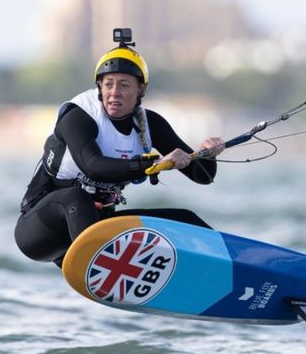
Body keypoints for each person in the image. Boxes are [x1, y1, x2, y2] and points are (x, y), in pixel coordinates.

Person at [15, 29, 225, 267]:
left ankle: (229, 269)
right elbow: (93, 166)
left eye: (124, 85)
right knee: (77, 197)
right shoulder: (78, 116)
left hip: (96, 228)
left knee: (186, 220)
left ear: (141, 90)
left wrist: (207, 154)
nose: (114, 93)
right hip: (41, 229)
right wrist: (153, 164)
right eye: (108, 84)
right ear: (99, 88)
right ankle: (96, 266)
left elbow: (202, 176)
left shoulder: (150, 124)